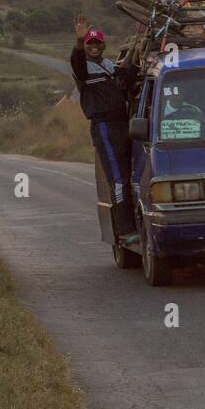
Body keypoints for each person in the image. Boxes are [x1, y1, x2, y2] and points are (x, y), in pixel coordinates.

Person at [71, 14, 139, 247]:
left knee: (131, 178)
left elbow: (127, 75)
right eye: (90, 43)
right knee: (119, 181)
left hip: (123, 125)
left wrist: (140, 45)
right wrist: (79, 41)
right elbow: (77, 61)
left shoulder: (109, 65)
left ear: (103, 45)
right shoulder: (83, 69)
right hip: (103, 128)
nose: (94, 47)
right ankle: (124, 231)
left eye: (97, 43)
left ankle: (134, 225)